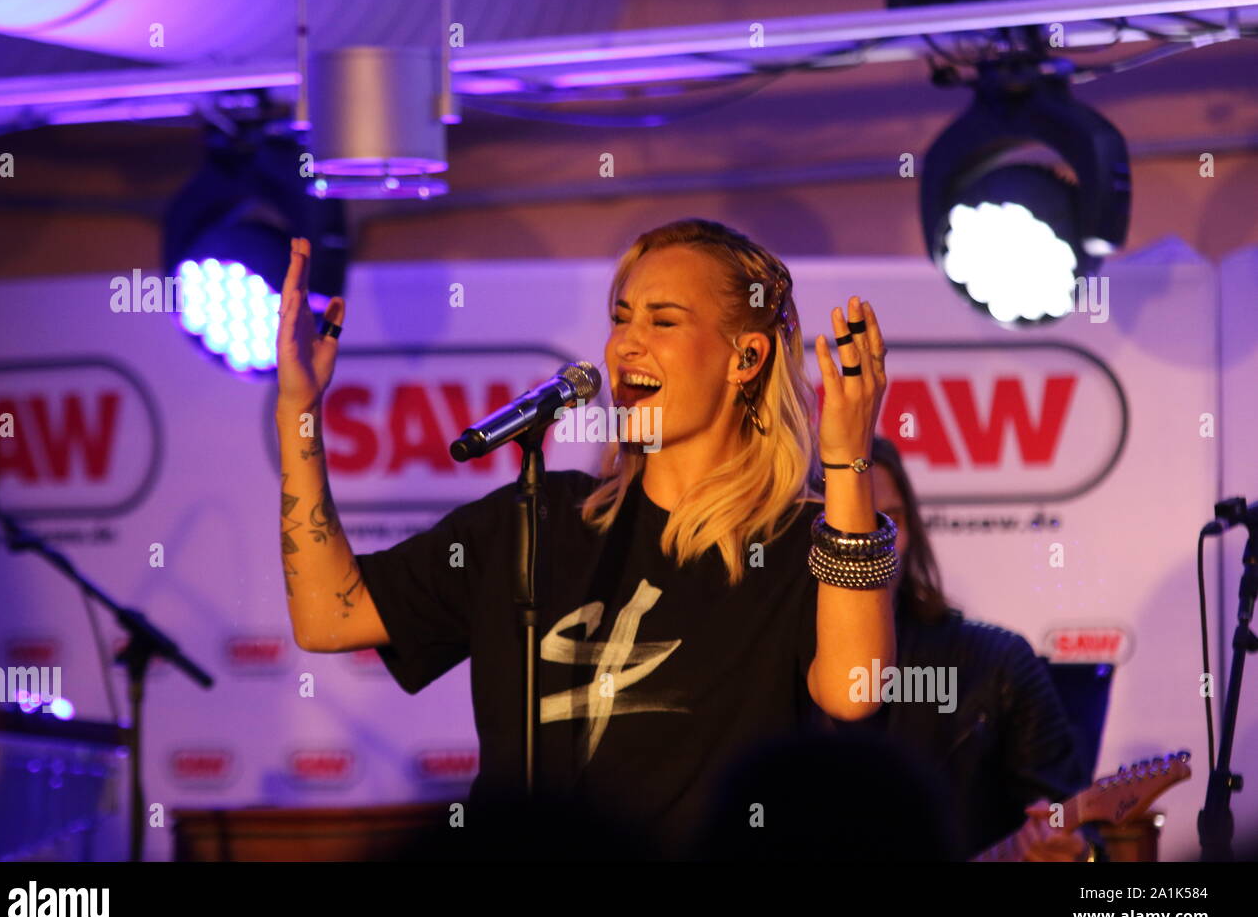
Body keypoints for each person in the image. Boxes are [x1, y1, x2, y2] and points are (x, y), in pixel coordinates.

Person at [275, 217, 899, 860]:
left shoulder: (801, 545)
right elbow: (329, 617)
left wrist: (848, 461)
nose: (626, 345)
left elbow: (856, 693)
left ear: (746, 357)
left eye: (662, 321)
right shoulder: (532, 520)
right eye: (621, 318)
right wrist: (297, 409)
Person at [826, 435, 1097, 861]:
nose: (872, 543)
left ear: (911, 527)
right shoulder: (763, 662)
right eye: (853, 524)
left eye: (889, 520)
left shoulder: (997, 663)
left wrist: (1078, 853)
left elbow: (1078, 827)